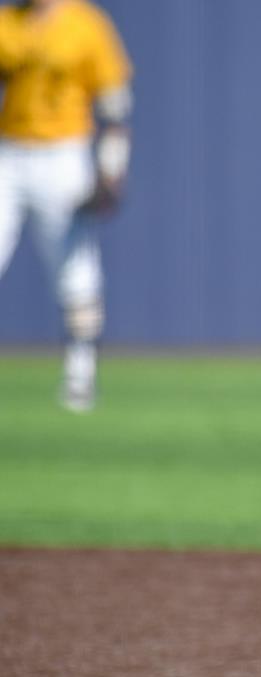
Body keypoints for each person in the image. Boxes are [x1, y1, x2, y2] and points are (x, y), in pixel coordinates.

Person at [0, 0, 132, 412]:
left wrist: (111, 169)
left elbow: (115, 104)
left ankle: (81, 373)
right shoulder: (8, 24)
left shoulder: (85, 24)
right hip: (10, 151)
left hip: (63, 154)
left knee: (75, 268)